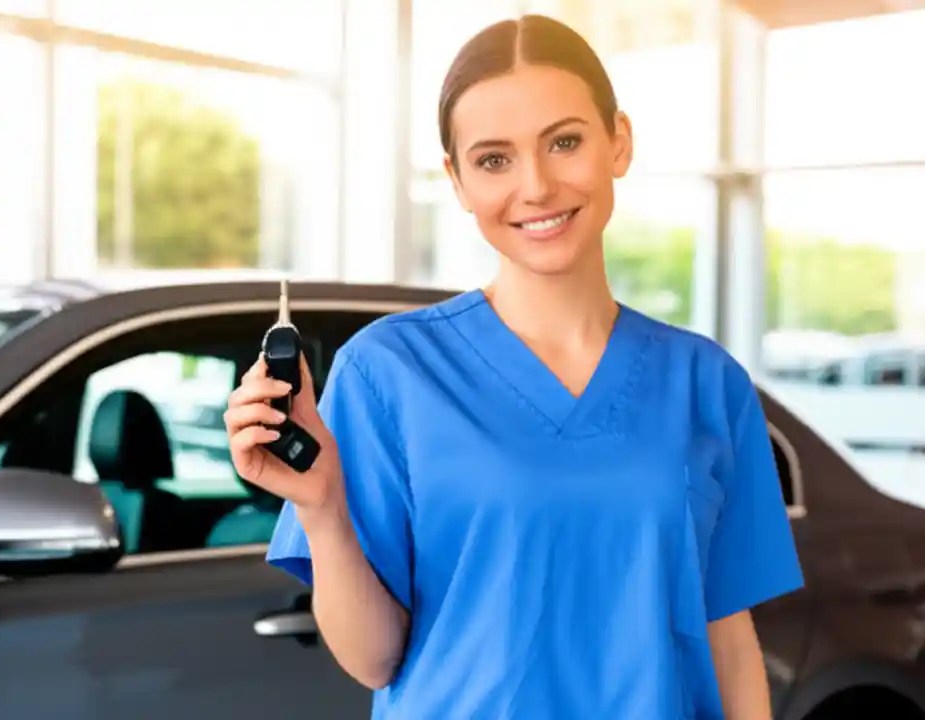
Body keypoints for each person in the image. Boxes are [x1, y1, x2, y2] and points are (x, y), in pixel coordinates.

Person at [223, 13, 804, 719]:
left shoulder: (706, 383)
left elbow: (728, 640)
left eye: (564, 142)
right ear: (458, 181)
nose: (535, 186)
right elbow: (375, 659)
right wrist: (321, 510)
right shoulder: (388, 372)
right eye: (494, 159)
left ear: (618, 142)